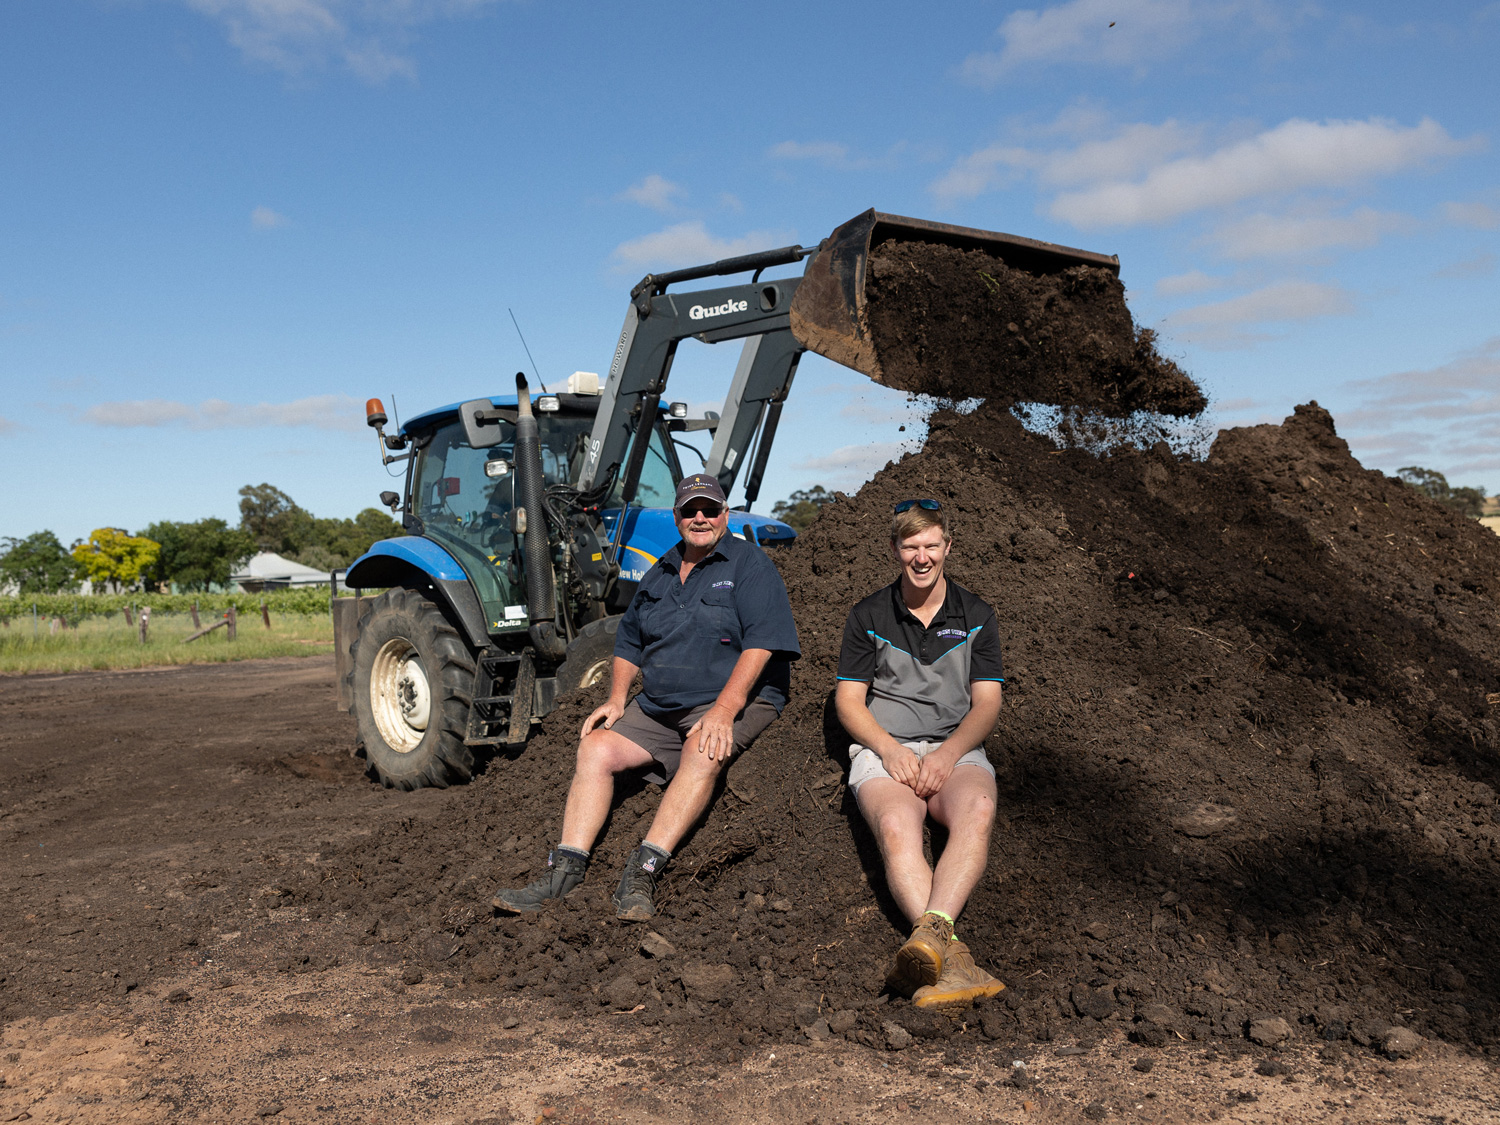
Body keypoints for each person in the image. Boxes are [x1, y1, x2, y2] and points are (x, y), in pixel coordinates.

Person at [493, 473, 800, 921]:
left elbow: (762, 644)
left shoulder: (750, 565)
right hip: (658, 707)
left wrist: (723, 710)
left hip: (736, 698)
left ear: (724, 515)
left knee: (705, 748)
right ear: (676, 517)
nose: (700, 517)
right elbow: (629, 641)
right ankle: (566, 871)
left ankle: (643, 870)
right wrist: (618, 698)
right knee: (596, 747)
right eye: (690, 510)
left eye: (710, 510)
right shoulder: (659, 570)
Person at [834, 498, 1006, 1009]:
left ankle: (931, 939)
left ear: (948, 547)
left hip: (957, 745)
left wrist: (950, 754)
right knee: (895, 827)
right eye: (911, 546)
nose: (922, 556)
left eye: (932, 545)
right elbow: (848, 700)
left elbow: (988, 702)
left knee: (978, 808)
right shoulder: (867, 614)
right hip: (887, 747)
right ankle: (954, 960)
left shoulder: (977, 615)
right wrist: (887, 750)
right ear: (894, 550)